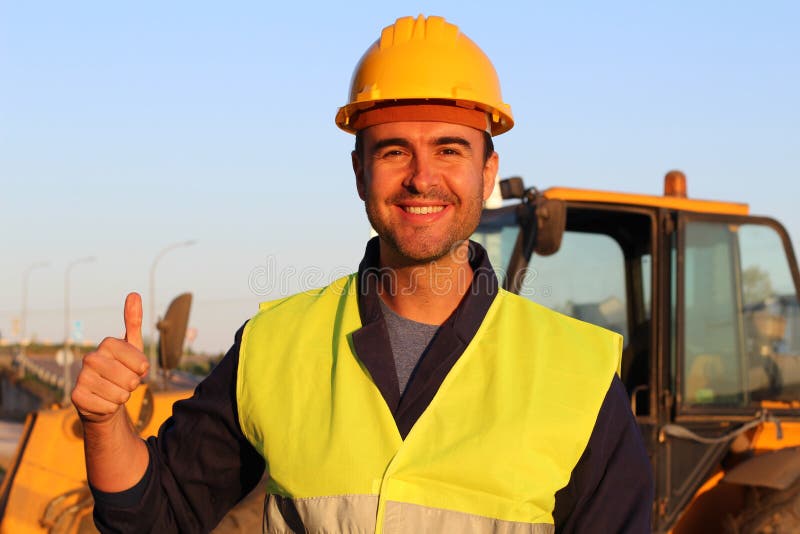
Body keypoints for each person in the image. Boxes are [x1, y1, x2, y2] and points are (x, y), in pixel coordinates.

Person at [72, 14, 653, 533]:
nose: (422, 177)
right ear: (359, 172)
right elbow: (157, 516)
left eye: (449, 149)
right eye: (394, 150)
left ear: (487, 170)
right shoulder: (275, 347)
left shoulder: (577, 378)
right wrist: (103, 425)